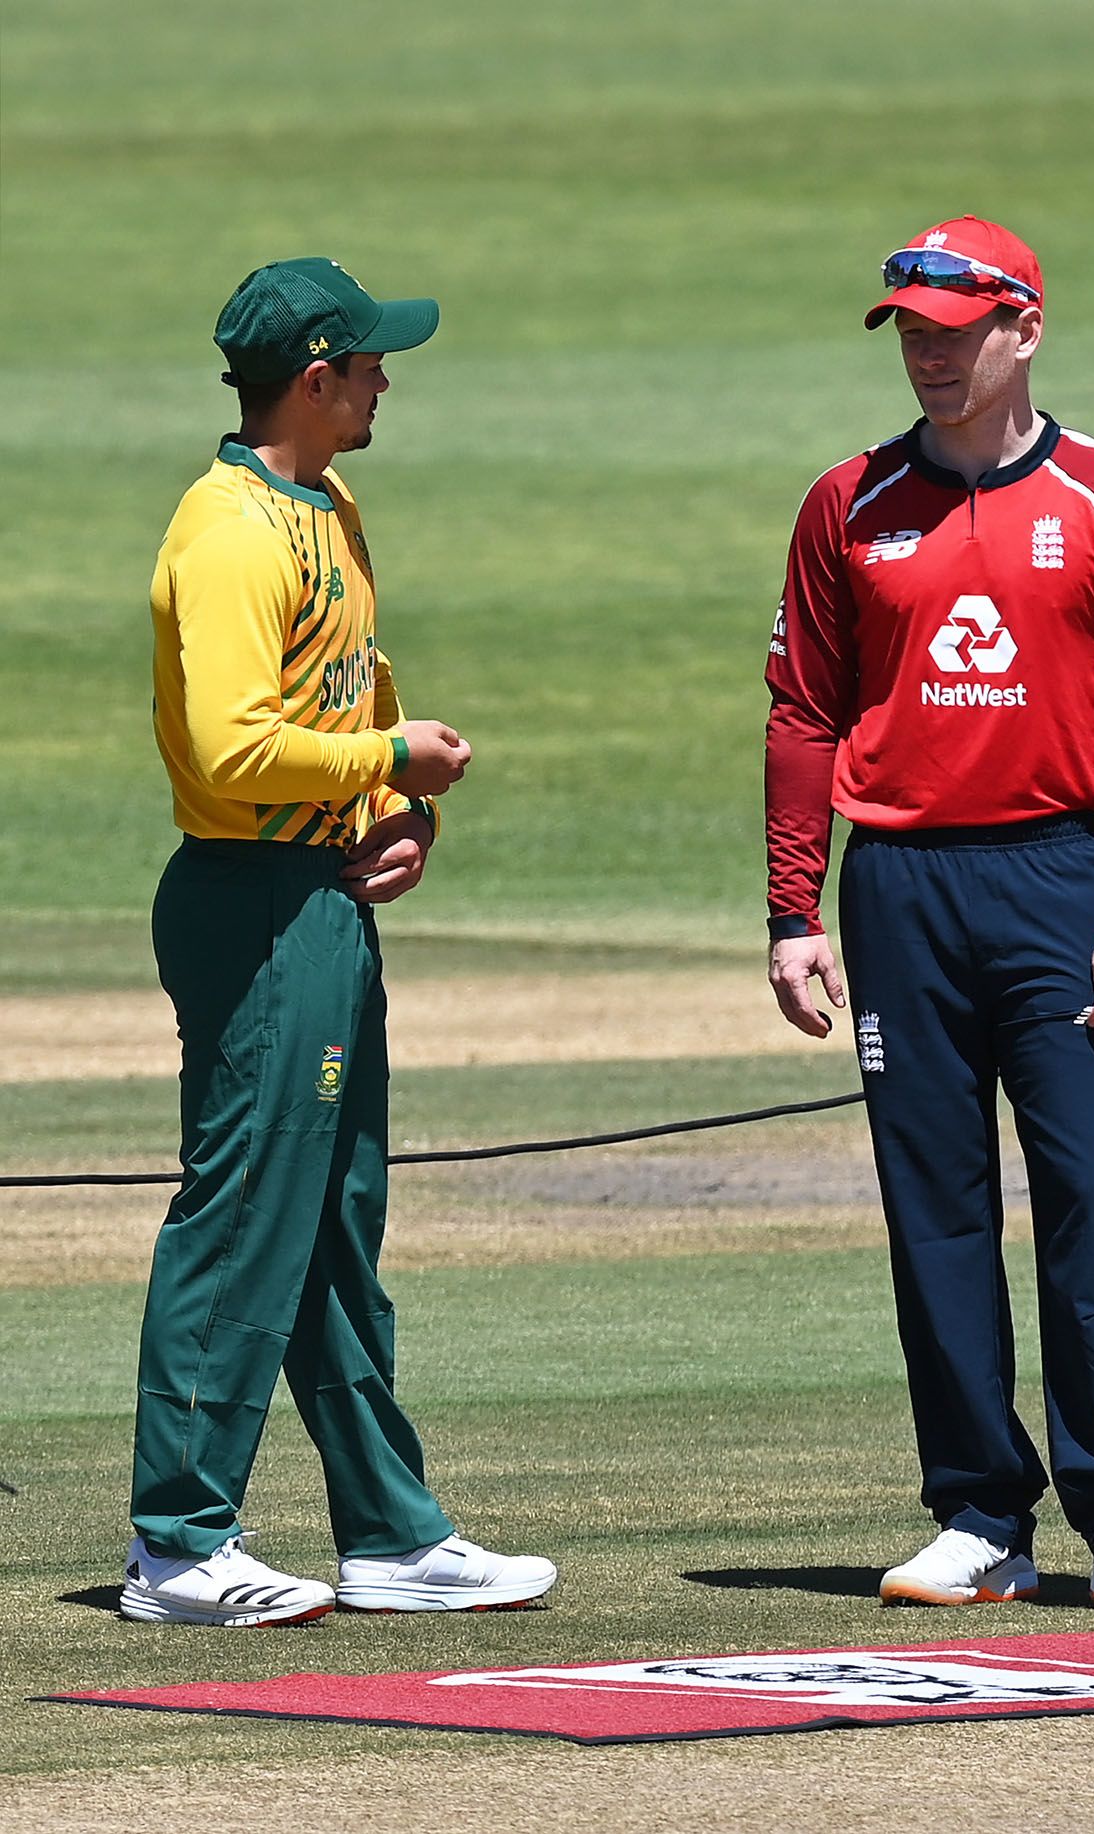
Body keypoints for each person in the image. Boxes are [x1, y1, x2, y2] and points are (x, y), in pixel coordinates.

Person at [764, 216, 1094, 1615]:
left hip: (1056, 882)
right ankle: (977, 1516)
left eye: (955, 334)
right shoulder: (846, 502)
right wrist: (792, 907)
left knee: (1090, 1193)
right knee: (936, 1210)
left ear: (1025, 329)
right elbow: (803, 712)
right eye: (910, 333)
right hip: (899, 889)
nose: (929, 357)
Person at [122, 258, 557, 1625]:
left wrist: (395, 813)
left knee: (334, 1222)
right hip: (251, 900)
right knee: (248, 1209)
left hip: (319, 892)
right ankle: (177, 1543)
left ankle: (389, 1533)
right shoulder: (228, 533)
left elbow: (353, 689)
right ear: (315, 379)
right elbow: (231, 744)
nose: (384, 384)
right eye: (369, 365)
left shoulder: (330, 505)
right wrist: (385, 759)